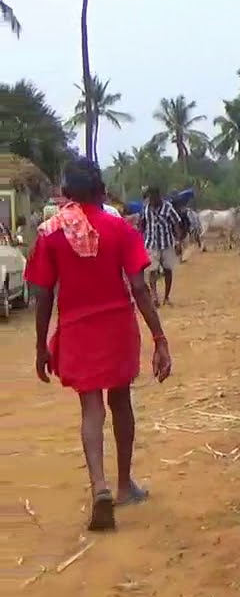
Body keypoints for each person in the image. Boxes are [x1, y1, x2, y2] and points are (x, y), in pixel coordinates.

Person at [23, 157, 172, 532]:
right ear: (100, 189)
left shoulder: (50, 233)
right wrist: (159, 338)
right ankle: (124, 486)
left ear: (66, 191)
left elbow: (42, 296)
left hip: (76, 328)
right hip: (117, 326)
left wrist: (41, 346)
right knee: (120, 402)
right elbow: (139, 287)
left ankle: (99, 487)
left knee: (91, 410)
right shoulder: (119, 228)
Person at [138, 186, 184, 306]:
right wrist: (139, 239)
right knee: (152, 270)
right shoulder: (146, 208)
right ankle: (154, 296)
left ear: (158, 196)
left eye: (152, 198)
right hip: (151, 243)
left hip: (166, 243)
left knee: (168, 270)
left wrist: (178, 242)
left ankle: (166, 297)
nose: (151, 200)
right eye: (149, 198)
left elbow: (176, 223)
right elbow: (142, 224)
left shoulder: (168, 207)